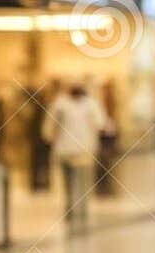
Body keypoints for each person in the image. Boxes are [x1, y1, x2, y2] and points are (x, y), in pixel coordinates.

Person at [46, 81, 110, 230]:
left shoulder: (90, 104)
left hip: (83, 150)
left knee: (82, 182)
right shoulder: (60, 104)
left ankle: (82, 210)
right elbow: (50, 127)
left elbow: (100, 124)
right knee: (69, 182)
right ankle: (72, 208)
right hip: (66, 150)